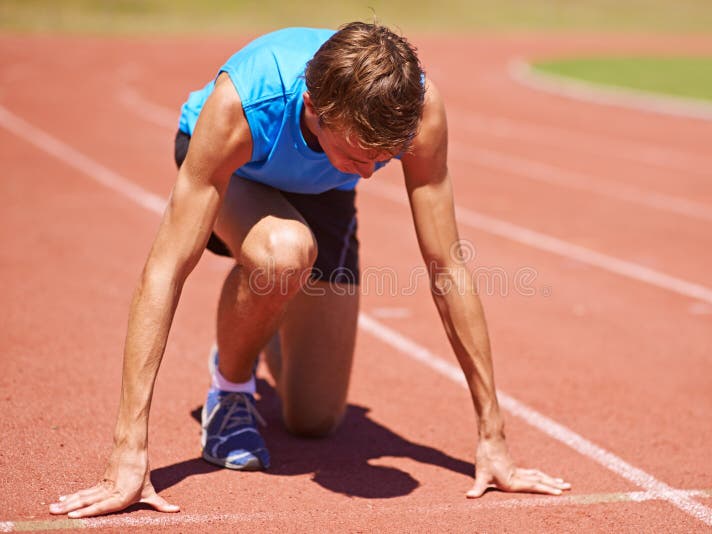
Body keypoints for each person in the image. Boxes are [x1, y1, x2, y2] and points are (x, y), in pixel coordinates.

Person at [49, 21, 570, 518]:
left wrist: (492, 436)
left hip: (323, 188)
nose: (371, 174)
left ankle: (250, 323)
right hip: (235, 168)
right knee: (284, 253)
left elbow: (447, 265)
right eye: (360, 156)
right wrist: (128, 453)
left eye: (383, 159)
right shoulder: (242, 103)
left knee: (315, 419)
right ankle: (229, 390)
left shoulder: (416, 109)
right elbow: (164, 270)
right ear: (314, 107)